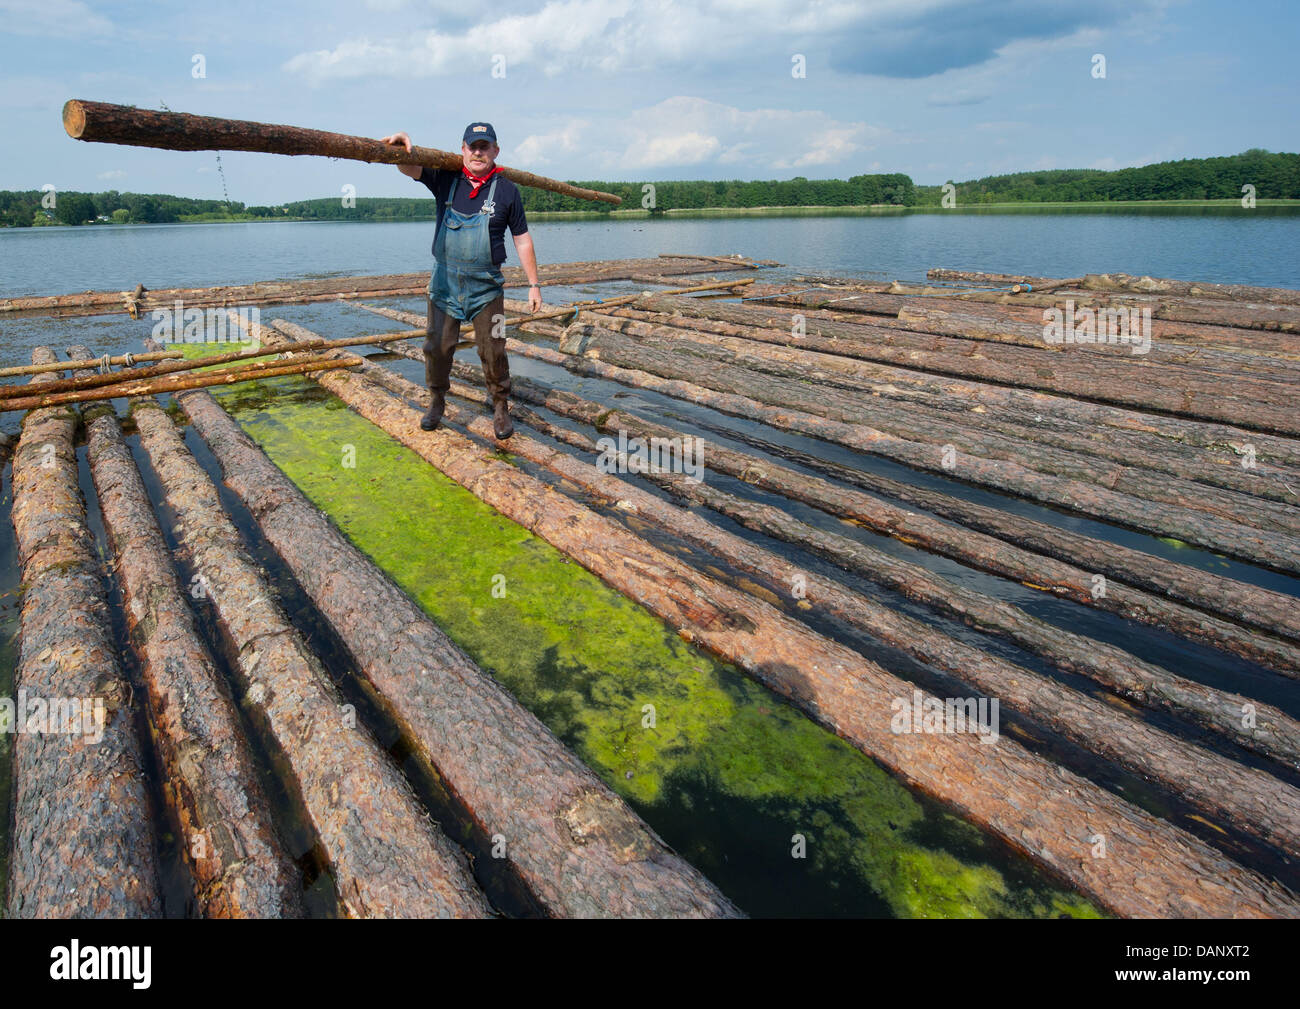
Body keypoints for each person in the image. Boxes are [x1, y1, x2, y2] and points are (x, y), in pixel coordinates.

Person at [381, 123, 543, 439]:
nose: (478, 152)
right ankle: (437, 399)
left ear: (496, 150)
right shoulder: (445, 179)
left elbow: (522, 239)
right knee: (437, 348)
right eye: (473, 146)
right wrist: (399, 147)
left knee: (494, 349)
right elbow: (408, 167)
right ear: (463, 149)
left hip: (487, 290)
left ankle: (499, 405)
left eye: (485, 146)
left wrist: (534, 284)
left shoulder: (507, 190)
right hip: (444, 287)